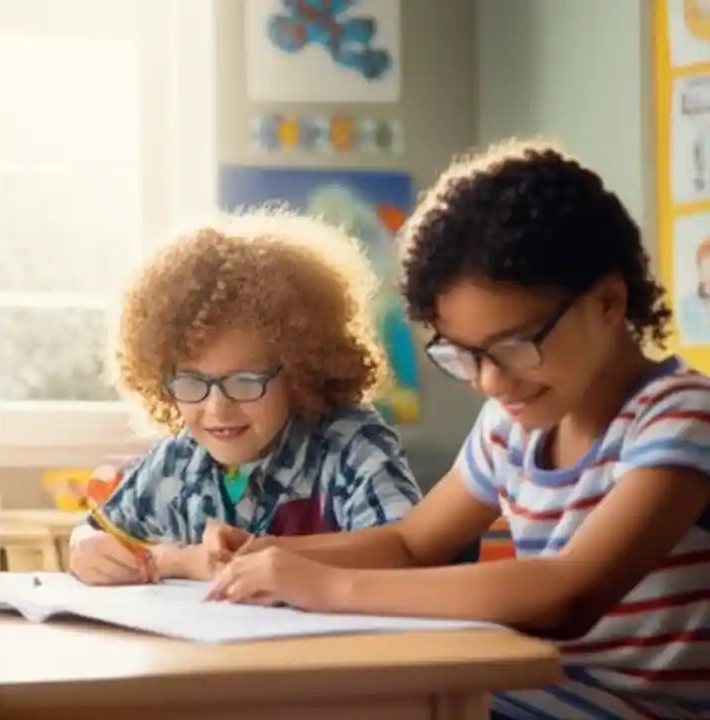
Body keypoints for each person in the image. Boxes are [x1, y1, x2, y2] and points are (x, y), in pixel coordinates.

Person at [206, 140, 710, 719]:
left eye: (515, 346)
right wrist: (271, 553)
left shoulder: (681, 417)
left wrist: (325, 587)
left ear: (607, 301)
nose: (491, 382)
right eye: (465, 356)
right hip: (527, 695)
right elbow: (411, 543)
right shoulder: (513, 425)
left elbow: (567, 593)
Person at [68, 213, 422, 585]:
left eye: (245, 381)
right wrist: (85, 545)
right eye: (191, 382)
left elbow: (410, 551)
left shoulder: (351, 447)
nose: (218, 408)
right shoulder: (176, 462)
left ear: (300, 372)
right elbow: (95, 532)